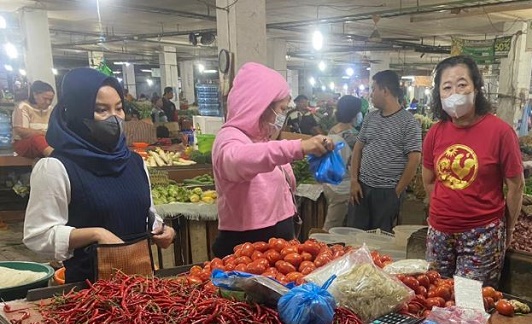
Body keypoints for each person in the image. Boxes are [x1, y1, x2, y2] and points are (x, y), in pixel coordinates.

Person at [23, 68, 176, 284]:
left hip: (141, 286)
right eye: (101, 110)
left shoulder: (134, 162)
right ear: (77, 112)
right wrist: (95, 234)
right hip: (90, 294)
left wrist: (162, 230)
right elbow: (38, 235)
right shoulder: (55, 168)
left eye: (119, 108)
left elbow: (147, 213)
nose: (114, 118)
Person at [210, 63, 334, 258]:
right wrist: (298, 147)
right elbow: (238, 160)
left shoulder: (263, 139)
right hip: (248, 249)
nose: (282, 116)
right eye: (282, 109)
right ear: (261, 106)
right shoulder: (230, 138)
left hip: (278, 244)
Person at [422, 55, 524, 286]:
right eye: (446, 87)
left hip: (482, 234)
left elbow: (516, 186)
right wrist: (443, 210)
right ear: (439, 94)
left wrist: (508, 228)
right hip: (439, 232)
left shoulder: (500, 132)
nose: (454, 93)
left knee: (472, 305)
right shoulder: (435, 133)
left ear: (476, 88)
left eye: (462, 84)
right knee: (436, 297)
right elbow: (428, 180)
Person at [348, 70, 422, 232]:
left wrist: (396, 192)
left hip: (387, 192)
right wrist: (354, 180)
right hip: (362, 188)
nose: (371, 94)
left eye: (374, 89)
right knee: (355, 236)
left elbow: (414, 160)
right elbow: (358, 149)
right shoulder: (370, 117)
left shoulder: (409, 123)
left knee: (380, 240)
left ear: (385, 91)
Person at [323, 95, 362, 230]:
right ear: (354, 113)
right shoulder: (352, 136)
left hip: (329, 184)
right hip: (343, 187)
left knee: (335, 222)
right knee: (333, 225)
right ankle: (322, 248)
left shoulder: (333, 130)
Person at [12, 80, 55, 158]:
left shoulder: (51, 109)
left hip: (46, 142)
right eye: (45, 99)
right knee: (38, 139)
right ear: (35, 95)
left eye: (50, 100)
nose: (48, 102)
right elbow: (21, 131)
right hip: (25, 143)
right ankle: (56, 157)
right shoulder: (23, 107)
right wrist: (44, 133)